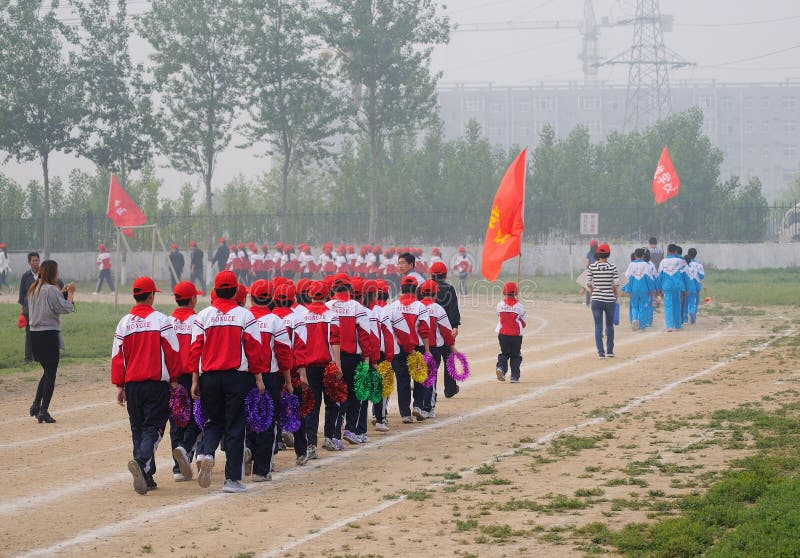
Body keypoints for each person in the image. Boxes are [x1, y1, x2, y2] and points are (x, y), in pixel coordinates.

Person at [188, 270, 266, 493]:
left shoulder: (203, 316)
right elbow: (254, 350)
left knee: (213, 421)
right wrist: (258, 378)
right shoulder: (245, 316)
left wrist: (195, 379)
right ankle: (231, 479)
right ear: (234, 291)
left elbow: (195, 350)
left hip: (209, 378)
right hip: (236, 378)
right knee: (235, 427)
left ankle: (207, 453)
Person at [111, 276, 181, 495]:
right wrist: (175, 379)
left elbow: (117, 357)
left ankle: (147, 477)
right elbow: (172, 351)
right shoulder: (161, 320)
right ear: (151, 296)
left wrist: (120, 385)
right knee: (154, 427)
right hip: (155, 384)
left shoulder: (124, 322)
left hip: (132, 384)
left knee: (138, 428)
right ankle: (141, 463)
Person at [293, 281, 341, 456]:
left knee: (311, 406)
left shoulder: (302, 315)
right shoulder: (331, 315)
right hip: (327, 364)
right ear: (327, 295)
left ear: (310, 294)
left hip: (308, 366)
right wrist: (338, 366)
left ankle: (311, 444)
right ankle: (328, 437)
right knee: (332, 402)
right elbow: (335, 341)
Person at [326, 276, 375, 447]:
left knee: (336, 397)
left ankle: (334, 434)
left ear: (333, 289)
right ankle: (350, 430)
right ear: (350, 290)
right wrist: (367, 359)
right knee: (355, 395)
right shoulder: (357, 307)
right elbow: (364, 335)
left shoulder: (327, 307)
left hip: (332, 358)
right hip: (352, 358)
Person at [27, 260, 76, 422]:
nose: (58, 273)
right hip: (48, 334)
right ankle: (43, 410)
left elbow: (50, 304)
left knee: (47, 371)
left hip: (35, 334)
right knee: (51, 374)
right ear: (52, 273)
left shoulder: (34, 287)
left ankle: (36, 404)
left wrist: (61, 292)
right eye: (57, 271)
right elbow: (65, 308)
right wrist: (70, 294)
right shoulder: (50, 289)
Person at [168, 281, 203, 482]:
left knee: (175, 421)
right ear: (193, 299)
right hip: (192, 376)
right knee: (196, 420)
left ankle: (177, 469)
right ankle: (186, 450)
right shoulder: (197, 321)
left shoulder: (167, 321)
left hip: (172, 379)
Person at [389, 275, 431, 422]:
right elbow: (425, 330)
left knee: (402, 380)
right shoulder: (420, 306)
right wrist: (427, 350)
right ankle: (418, 406)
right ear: (416, 289)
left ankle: (405, 413)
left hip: (398, 349)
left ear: (401, 288)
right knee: (420, 377)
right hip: (417, 347)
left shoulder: (393, 305)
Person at [419, 280, 458, 414]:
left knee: (419, 377)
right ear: (436, 294)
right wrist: (452, 346)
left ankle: (418, 405)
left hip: (417, 348)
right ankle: (429, 407)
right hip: (433, 347)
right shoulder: (438, 309)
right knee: (431, 376)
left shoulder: (416, 306)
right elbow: (446, 331)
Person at [429, 261, 462, 398]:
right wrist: (455, 326)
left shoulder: (425, 288)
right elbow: (453, 309)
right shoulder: (449, 289)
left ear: (431, 274)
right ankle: (450, 389)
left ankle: (431, 392)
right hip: (446, 329)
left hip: (431, 330)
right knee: (449, 359)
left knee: (432, 363)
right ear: (445, 274)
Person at [586, 243, 619, 358]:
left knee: (598, 326)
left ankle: (601, 352)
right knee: (609, 325)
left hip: (596, 299)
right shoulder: (612, 267)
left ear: (598, 254)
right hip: (610, 299)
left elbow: (588, 283)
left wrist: (592, 290)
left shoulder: (592, 267)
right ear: (608, 254)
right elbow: (616, 284)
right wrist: (615, 292)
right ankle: (609, 351)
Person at [495, 281, 526, 382]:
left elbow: (498, 316)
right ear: (516, 292)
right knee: (515, 355)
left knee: (504, 353)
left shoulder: (500, 305)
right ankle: (514, 377)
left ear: (504, 291)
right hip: (516, 336)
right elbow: (524, 322)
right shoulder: (519, 306)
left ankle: (501, 368)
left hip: (503, 335)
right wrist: (518, 305)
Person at [657, 244, 688, 332]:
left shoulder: (663, 262)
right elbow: (686, 276)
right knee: (677, 305)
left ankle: (669, 326)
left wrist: (658, 288)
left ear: (668, 250)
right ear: (675, 251)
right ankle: (678, 325)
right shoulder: (681, 261)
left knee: (668, 305)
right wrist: (686, 288)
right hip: (677, 286)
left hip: (667, 286)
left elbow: (660, 276)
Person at [18, 251, 43, 364]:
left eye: (37, 260)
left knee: (42, 333)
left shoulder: (44, 275)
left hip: (42, 310)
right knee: (29, 334)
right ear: (29, 262)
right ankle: (28, 358)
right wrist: (22, 312)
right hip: (29, 310)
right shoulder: (25, 277)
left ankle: (41, 357)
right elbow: (22, 294)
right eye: (33, 261)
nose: (36, 263)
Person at [622, 248, 655, 332]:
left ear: (635, 255)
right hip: (644, 289)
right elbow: (650, 278)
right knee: (643, 306)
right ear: (643, 255)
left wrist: (627, 290)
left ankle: (634, 319)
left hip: (634, 289)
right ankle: (642, 326)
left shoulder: (631, 265)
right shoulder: (646, 265)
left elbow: (627, 278)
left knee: (634, 306)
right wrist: (651, 289)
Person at [683, 248, 704, 325]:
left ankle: (685, 319)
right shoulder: (698, 265)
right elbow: (701, 277)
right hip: (694, 287)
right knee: (693, 302)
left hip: (685, 288)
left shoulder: (684, 265)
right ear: (695, 255)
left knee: (685, 303)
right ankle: (692, 313)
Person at [582, 239, 598, 306]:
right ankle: (596, 301)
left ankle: (588, 302)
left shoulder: (589, 253)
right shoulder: (600, 252)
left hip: (591, 271)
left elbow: (587, 263)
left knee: (589, 287)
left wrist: (586, 270)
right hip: (599, 272)